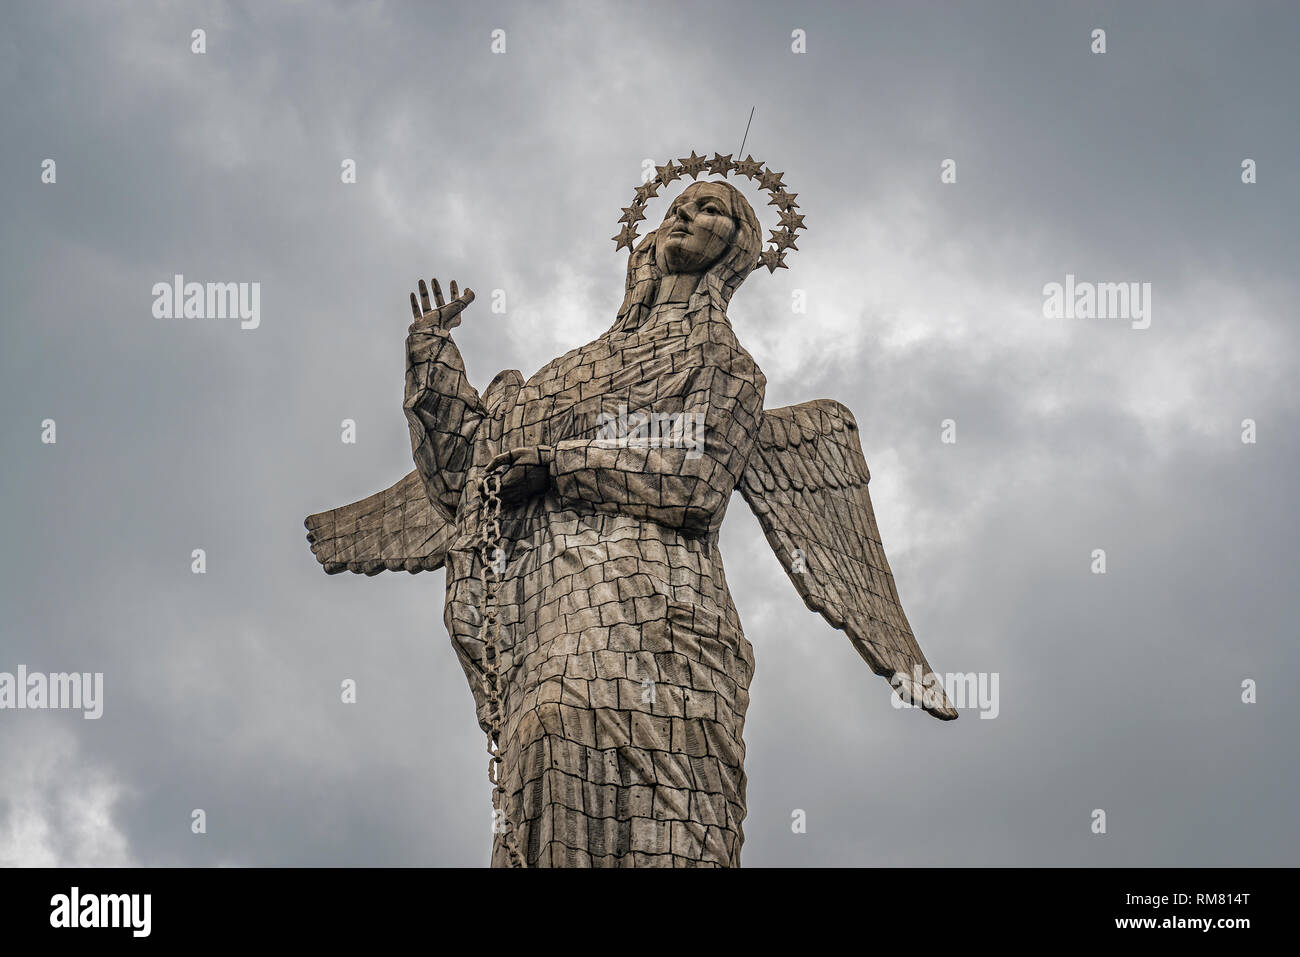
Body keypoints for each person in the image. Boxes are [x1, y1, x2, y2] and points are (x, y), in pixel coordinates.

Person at [403, 180, 768, 866]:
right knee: (549, 730)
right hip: (553, 596)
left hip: (659, 601)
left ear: (738, 246)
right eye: (677, 207)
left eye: (712, 209)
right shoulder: (569, 373)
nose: (686, 214)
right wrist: (434, 367)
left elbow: (697, 481)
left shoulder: (730, 366)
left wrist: (558, 463)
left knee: (665, 804)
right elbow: (472, 480)